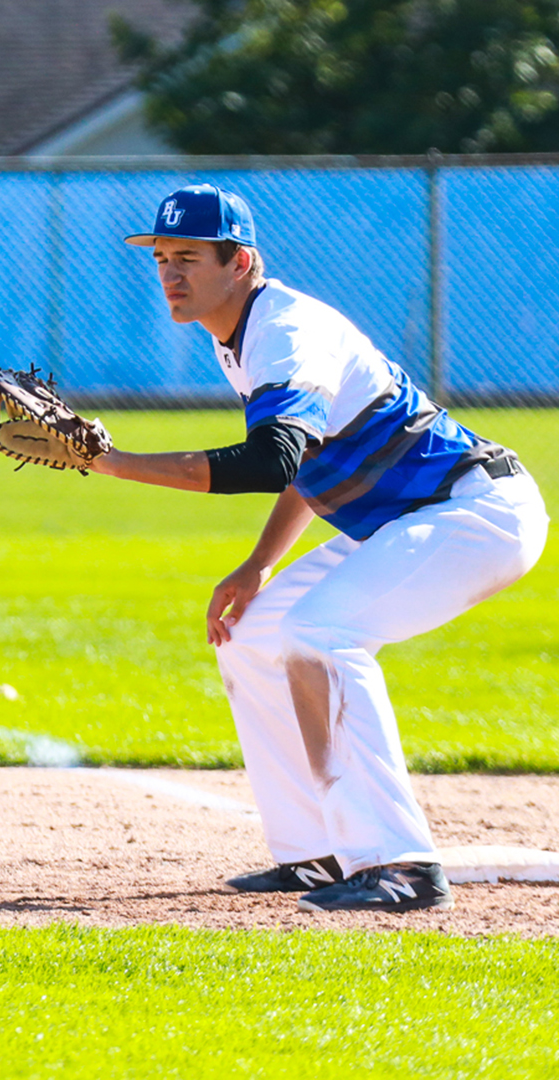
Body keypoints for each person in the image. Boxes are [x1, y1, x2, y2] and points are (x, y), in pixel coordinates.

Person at [94, 185, 547, 912]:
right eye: (161, 258)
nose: (170, 273)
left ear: (239, 261)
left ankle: (402, 866)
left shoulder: (286, 331)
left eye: (188, 257)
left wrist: (112, 460)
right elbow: (309, 463)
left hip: (477, 512)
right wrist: (259, 564)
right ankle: (318, 854)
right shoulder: (236, 334)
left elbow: (270, 460)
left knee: (319, 635)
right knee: (253, 633)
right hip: (409, 520)